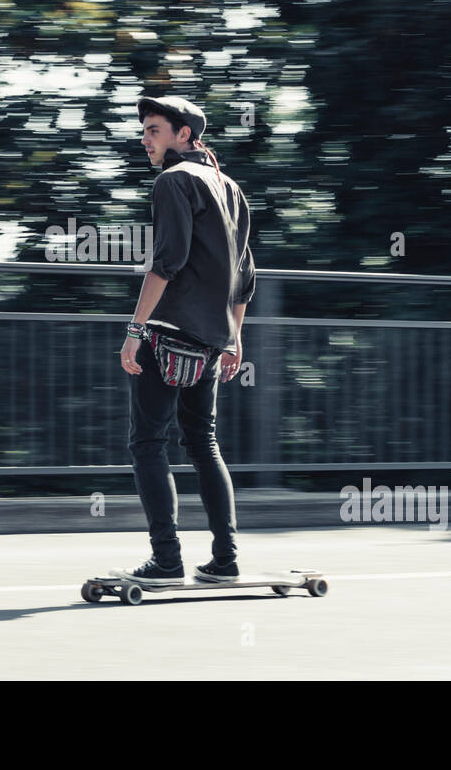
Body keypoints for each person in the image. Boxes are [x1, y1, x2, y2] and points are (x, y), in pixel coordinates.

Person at [114, 94, 256, 585]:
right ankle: (226, 558)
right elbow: (246, 277)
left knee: (148, 442)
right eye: (145, 130)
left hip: (169, 334)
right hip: (213, 339)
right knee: (203, 442)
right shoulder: (229, 186)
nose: (145, 139)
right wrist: (234, 338)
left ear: (184, 136)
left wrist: (134, 330)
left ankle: (167, 559)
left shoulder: (173, 181)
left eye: (154, 130)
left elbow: (167, 262)